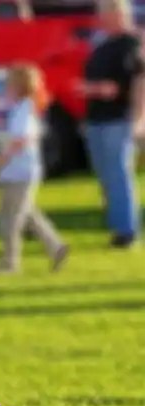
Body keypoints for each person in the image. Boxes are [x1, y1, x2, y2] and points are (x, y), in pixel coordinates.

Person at [0, 65, 70, 272]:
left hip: (20, 171)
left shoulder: (24, 110)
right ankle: (56, 246)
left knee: (11, 220)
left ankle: (10, 262)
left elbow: (21, 139)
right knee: (25, 213)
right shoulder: (22, 108)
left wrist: (2, 157)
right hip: (13, 171)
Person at [81, 0, 144, 248]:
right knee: (106, 176)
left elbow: (134, 83)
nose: (101, 19)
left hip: (119, 118)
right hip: (97, 118)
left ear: (119, 14)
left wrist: (139, 117)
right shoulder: (102, 44)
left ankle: (127, 232)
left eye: (105, 14)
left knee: (119, 174)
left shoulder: (132, 44)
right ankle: (116, 226)